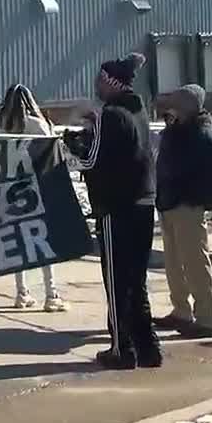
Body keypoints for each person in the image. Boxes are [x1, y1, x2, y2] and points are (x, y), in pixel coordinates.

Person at [64, 53, 161, 370]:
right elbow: (125, 150)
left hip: (117, 206)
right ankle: (148, 348)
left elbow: (91, 161)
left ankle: (121, 349)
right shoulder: (138, 110)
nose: (96, 86)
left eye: (99, 80)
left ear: (110, 83)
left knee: (117, 281)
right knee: (136, 280)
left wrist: (75, 147)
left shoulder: (110, 114)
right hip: (144, 202)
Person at [153, 84, 212, 340]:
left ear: (191, 106)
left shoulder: (203, 135)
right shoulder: (175, 130)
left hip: (189, 206)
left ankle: (206, 319)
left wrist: (204, 201)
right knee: (174, 264)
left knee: (195, 264)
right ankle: (181, 312)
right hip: (168, 204)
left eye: (180, 101)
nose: (173, 104)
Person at [0, 84, 66, 312]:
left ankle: (21, 293)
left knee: (18, 241)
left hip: (10, 190)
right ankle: (51, 294)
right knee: (43, 240)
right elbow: (52, 149)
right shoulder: (38, 124)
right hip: (36, 189)